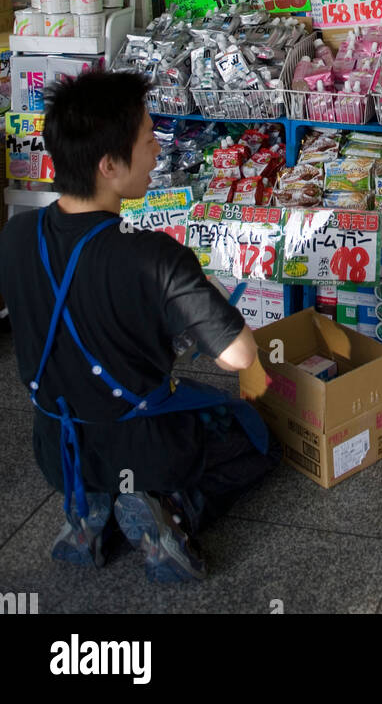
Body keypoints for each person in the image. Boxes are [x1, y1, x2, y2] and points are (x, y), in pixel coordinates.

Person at [0, 70, 280, 583]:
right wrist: (242, 351)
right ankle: (169, 508)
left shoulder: (17, 234)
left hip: (56, 445)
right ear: (109, 165)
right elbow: (238, 355)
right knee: (254, 439)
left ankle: (91, 508)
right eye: (149, 139)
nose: (157, 152)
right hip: (144, 444)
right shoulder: (151, 256)